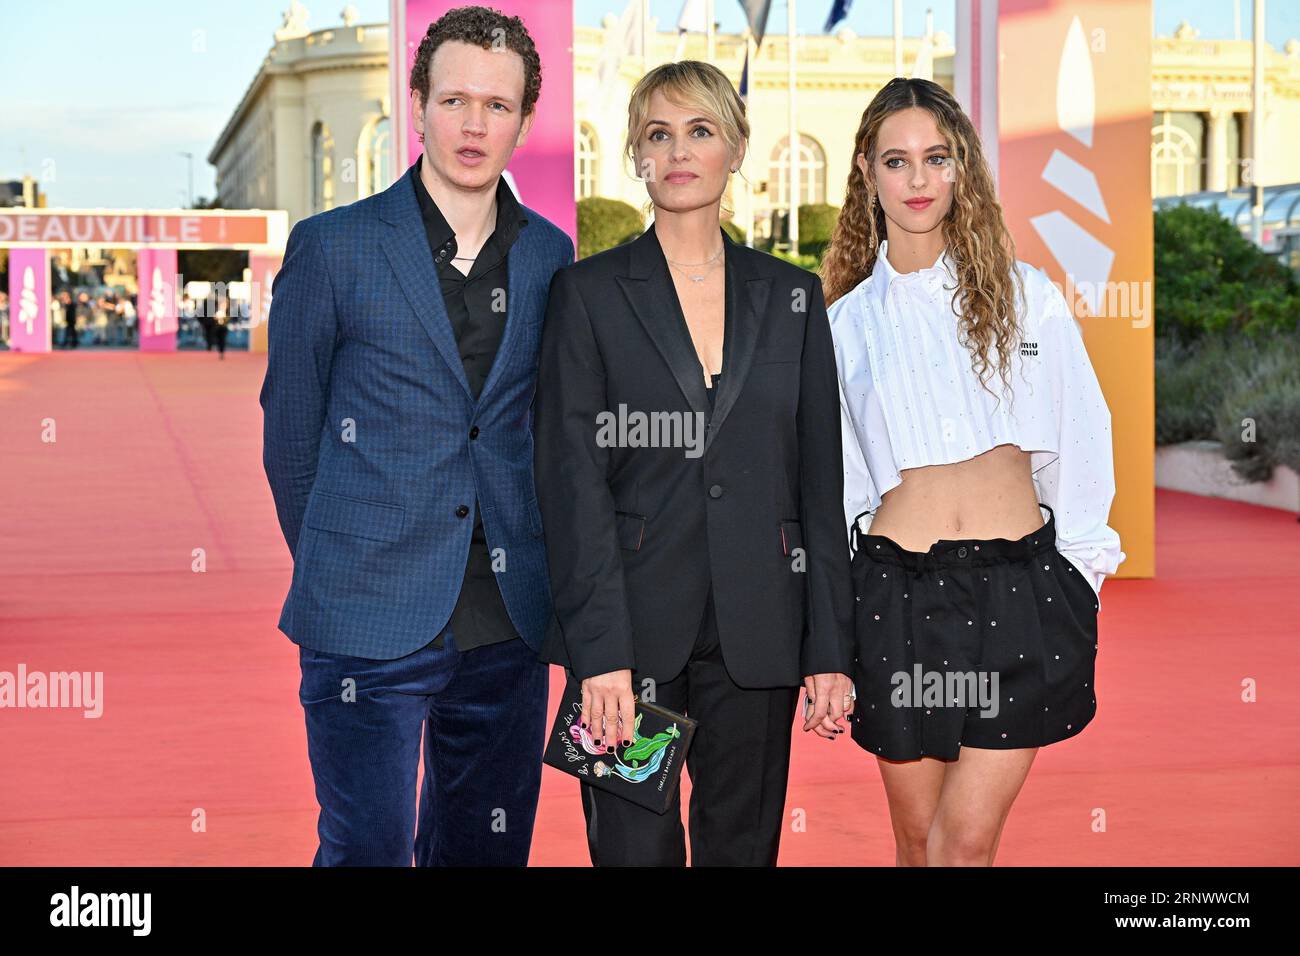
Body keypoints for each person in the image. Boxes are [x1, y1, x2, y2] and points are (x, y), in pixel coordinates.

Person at [259, 5, 572, 866]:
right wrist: (340, 559)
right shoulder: (334, 247)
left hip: (506, 623)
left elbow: (549, 435)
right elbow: (289, 435)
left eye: (498, 106)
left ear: (523, 120)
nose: (474, 124)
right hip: (365, 617)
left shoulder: (552, 258)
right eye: (456, 100)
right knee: (366, 851)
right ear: (419, 102)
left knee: (484, 853)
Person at [534, 60, 854, 867]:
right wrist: (598, 654)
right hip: (628, 640)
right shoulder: (588, 294)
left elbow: (819, 483)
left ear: (737, 148)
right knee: (633, 854)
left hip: (761, 637)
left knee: (741, 852)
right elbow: (572, 485)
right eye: (657, 135)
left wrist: (827, 648)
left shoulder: (791, 296)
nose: (679, 151)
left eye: (700, 131)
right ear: (636, 157)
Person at [821, 77, 1126, 866]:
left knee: (964, 842)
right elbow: (836, 487)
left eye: (937, 158)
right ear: (866, 172)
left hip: (1018, 591)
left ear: (962, 170)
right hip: (896, 596)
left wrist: (1080, 580)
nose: (918, 181)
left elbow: (1082, 439)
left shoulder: (1028, 300)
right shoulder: (841, 326)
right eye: (897, 161)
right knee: (919, 844)